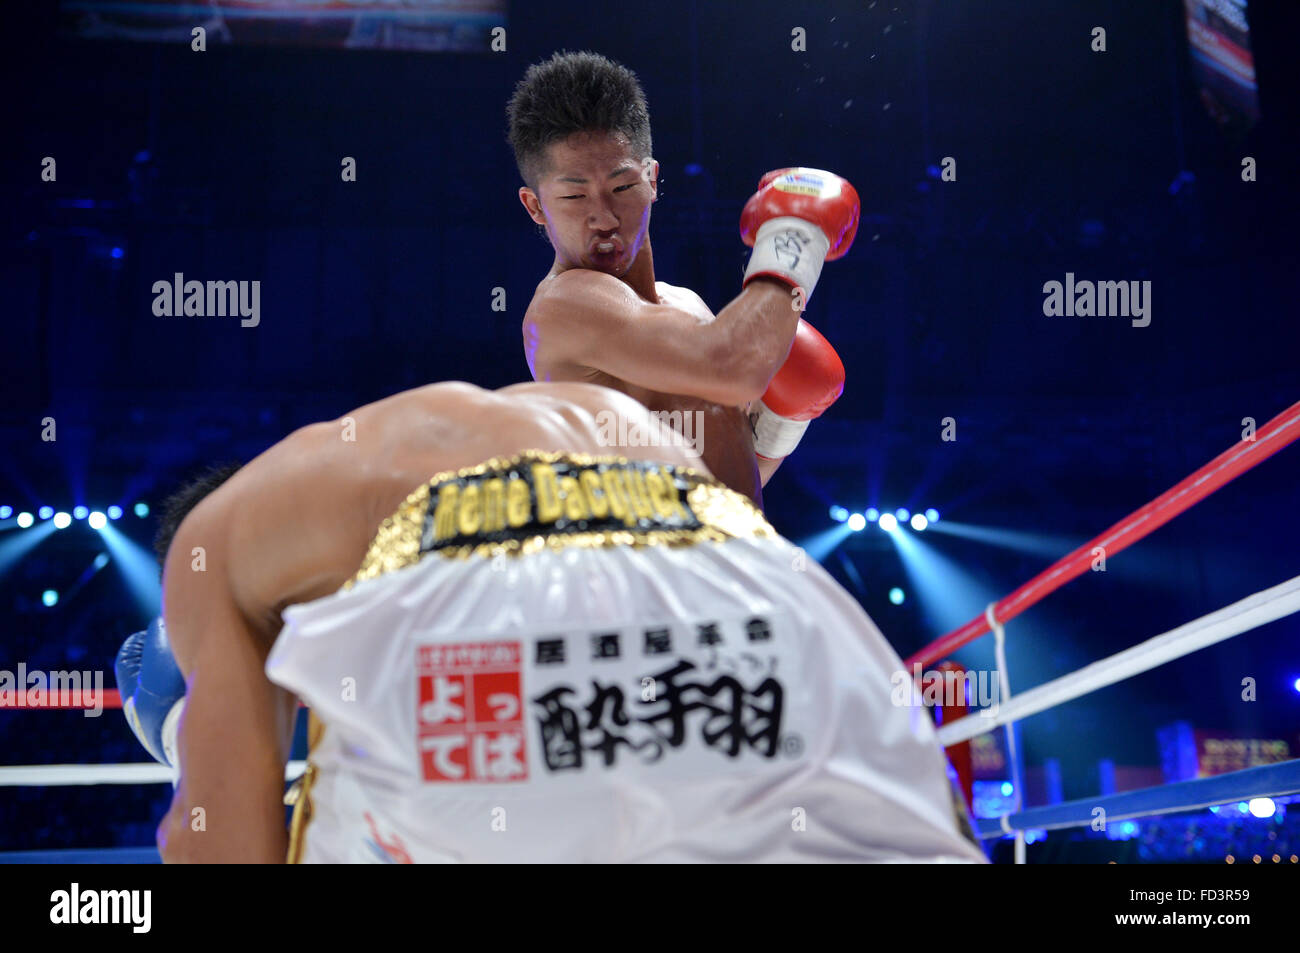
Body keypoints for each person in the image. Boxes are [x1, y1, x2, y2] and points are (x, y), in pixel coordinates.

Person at [136, 380, 985, 863]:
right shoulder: (499, 416)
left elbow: (216, 837)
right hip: (768, 594)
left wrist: (194, 754)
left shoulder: (209, 549)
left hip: (487, 563)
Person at [509, 52, 858, 507]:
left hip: (722, 559)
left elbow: (729, 486)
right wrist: (794, 238)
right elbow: (733, 366)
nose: (604, 217)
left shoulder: (688, 307)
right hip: (637, 571)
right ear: (536, 207)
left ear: (652, 179)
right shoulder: (564, 305)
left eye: (621, 187)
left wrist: (781, 421)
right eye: (574, 195)